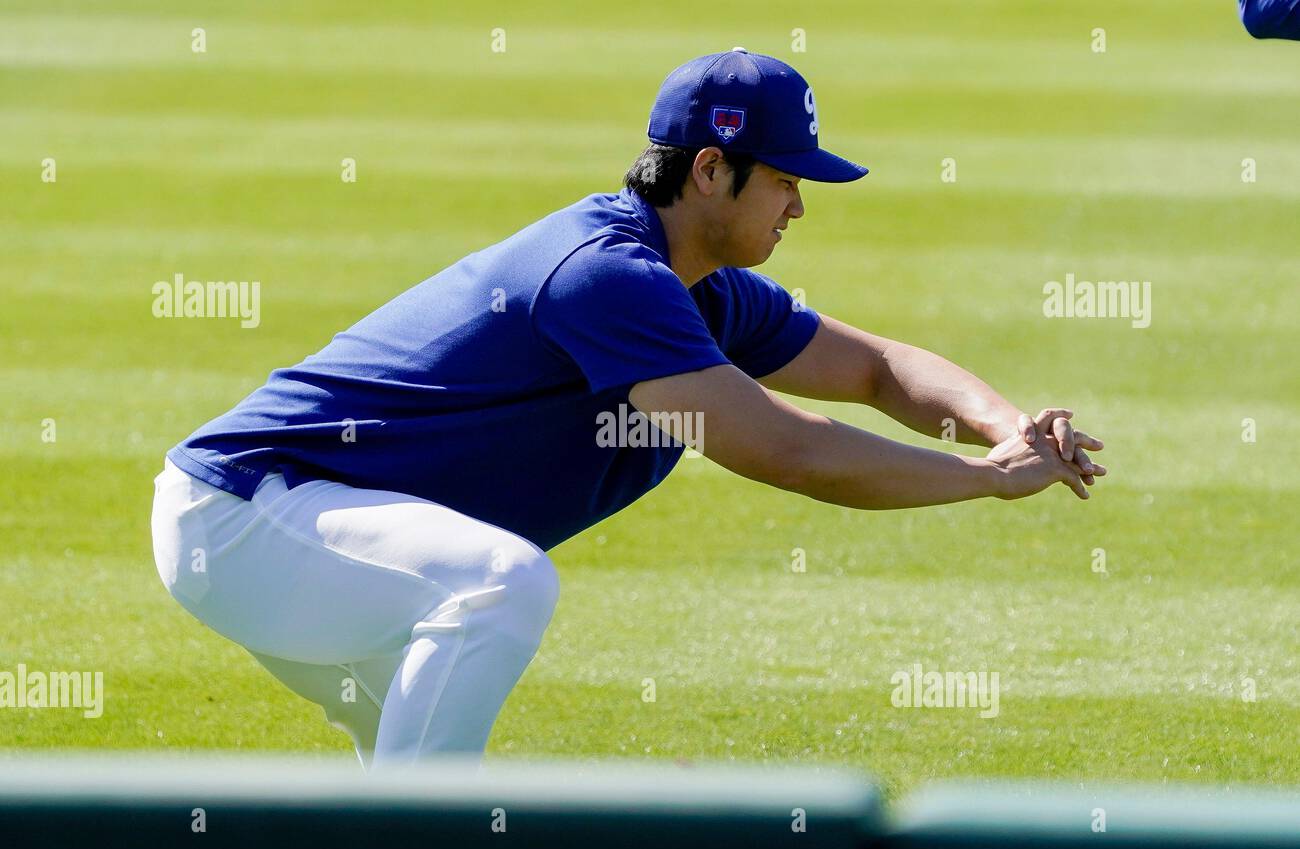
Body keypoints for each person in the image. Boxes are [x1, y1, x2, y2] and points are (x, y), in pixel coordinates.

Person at [151, 49, 1105, 772]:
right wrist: (984, 482)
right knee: (498, 586)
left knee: (414, 765)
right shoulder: (608, 275)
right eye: (784, 178)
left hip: (298, 526)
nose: (799, 205)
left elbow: (879, 368)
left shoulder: (705, 290)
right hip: (244, 516)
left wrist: (1005, 426)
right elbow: (786, 451)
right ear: (707, 171)